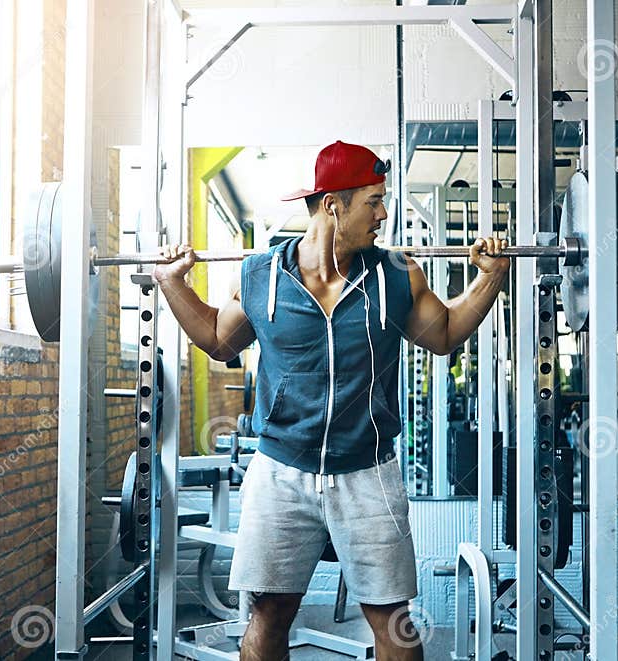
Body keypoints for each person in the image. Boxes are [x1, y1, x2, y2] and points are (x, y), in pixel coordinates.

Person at [152, 140, 509, 660]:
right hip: (281, 471)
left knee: (392, 619)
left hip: (367, 472)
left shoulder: (395, 274)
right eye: (373, 201)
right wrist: (170, 282)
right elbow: (216, 339)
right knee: (269, 614)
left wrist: (490, 277)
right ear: (332, 205)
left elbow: (445, 333)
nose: (383, 214)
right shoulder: (261, 276)